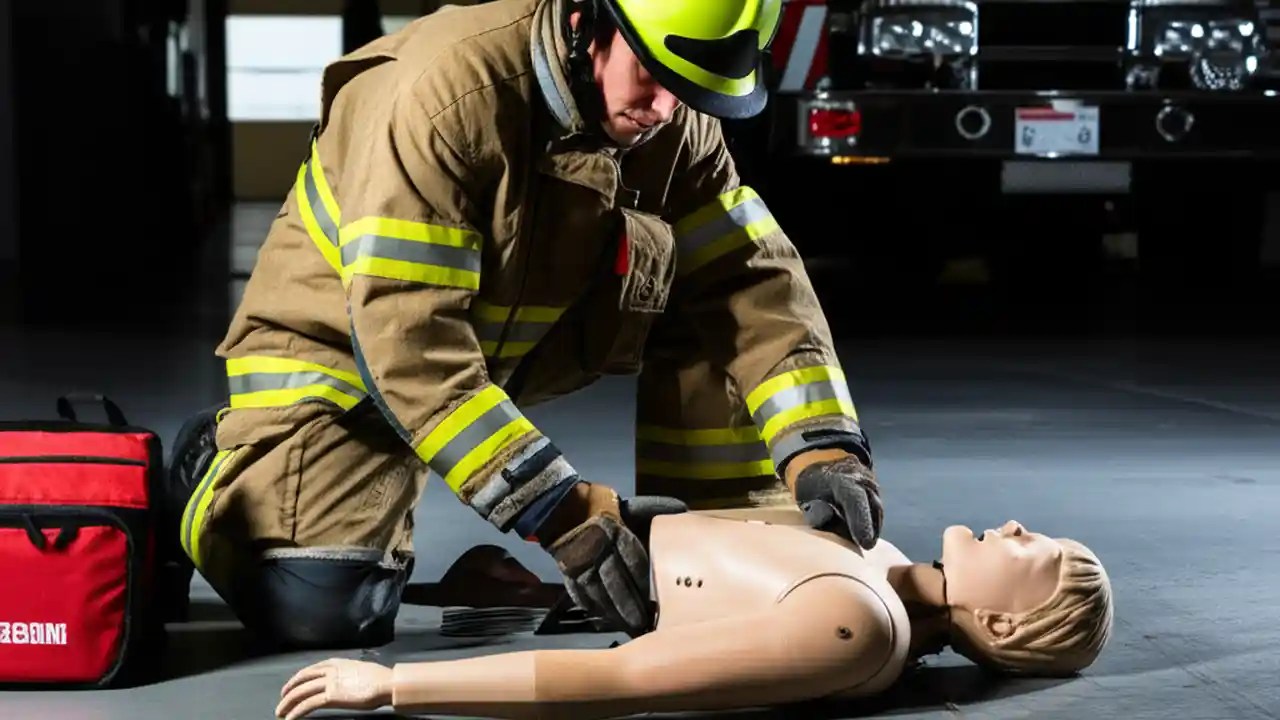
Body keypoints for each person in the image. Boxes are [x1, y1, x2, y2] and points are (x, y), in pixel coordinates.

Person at [159, 0, 884, 650]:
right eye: (653, 74)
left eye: (690, 88)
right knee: (323, 611)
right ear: (584, 22)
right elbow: (413, 351)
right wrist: (564, 513)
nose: (666, 107)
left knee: (715, 296)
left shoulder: (673, 116)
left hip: (492, 350)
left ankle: (723, 549)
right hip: (344, 368)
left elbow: (752, 283)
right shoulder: (442, 99)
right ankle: (207, 478)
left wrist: (821, 450)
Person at [273, 507, 1115, 720]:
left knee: (310, 587)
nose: (1013, 526)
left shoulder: (857, 627)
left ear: (1003, 627)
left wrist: (392, 687)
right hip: (569, 569)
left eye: (1030, 550)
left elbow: (622, 680)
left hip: (599, 581)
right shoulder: (888, 570)